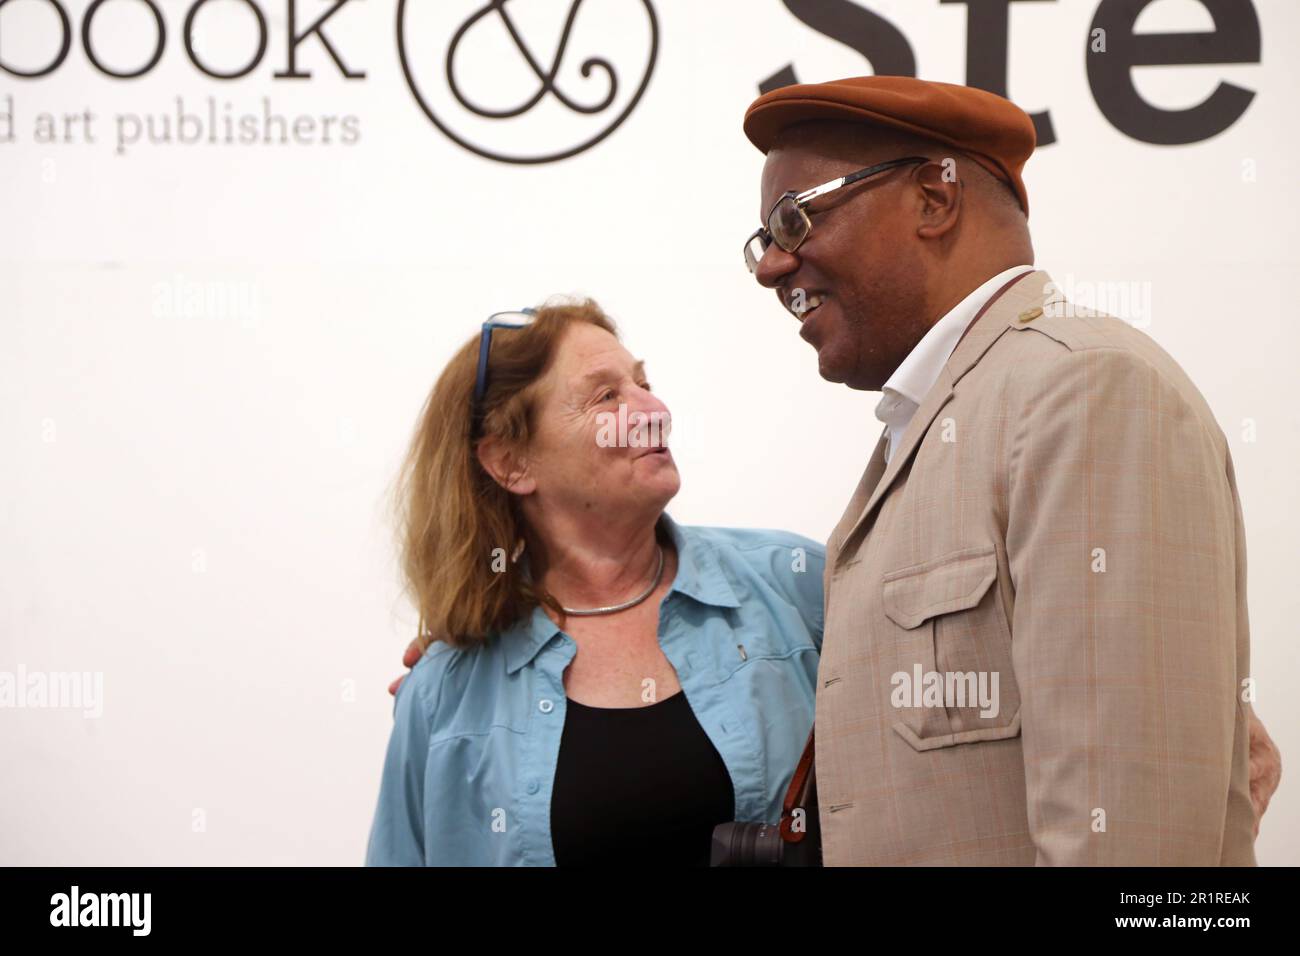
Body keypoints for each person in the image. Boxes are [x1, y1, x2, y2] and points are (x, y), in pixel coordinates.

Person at [741, 74, 1281, 864]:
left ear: (934, 197)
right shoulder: (951, 417)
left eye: (795, 218)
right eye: (764, 239)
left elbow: (1134, 847)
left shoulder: (1086, 391)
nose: (772, 267)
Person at [365, 298, 824, 865]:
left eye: (643, 383)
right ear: (511, 462)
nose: (655, 409)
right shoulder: (443, 692)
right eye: (607, 396)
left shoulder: (801, 586)